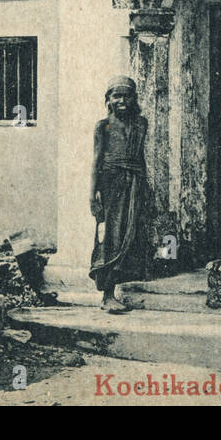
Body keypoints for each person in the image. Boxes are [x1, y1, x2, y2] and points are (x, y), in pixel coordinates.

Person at [89, 75, 148, 314]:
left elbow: (141, 158)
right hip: (110, 186)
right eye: (116, 96)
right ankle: (107, 295)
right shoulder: (103, 126)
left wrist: (144, 187)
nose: (122, 100)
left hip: (134, 184)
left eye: (127, 95)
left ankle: (119, 288)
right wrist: (92, 196)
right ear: (108, 100)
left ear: (134, 98)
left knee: (131, 235)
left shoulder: (141, 124)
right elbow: (96, 161)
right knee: (111, 237)